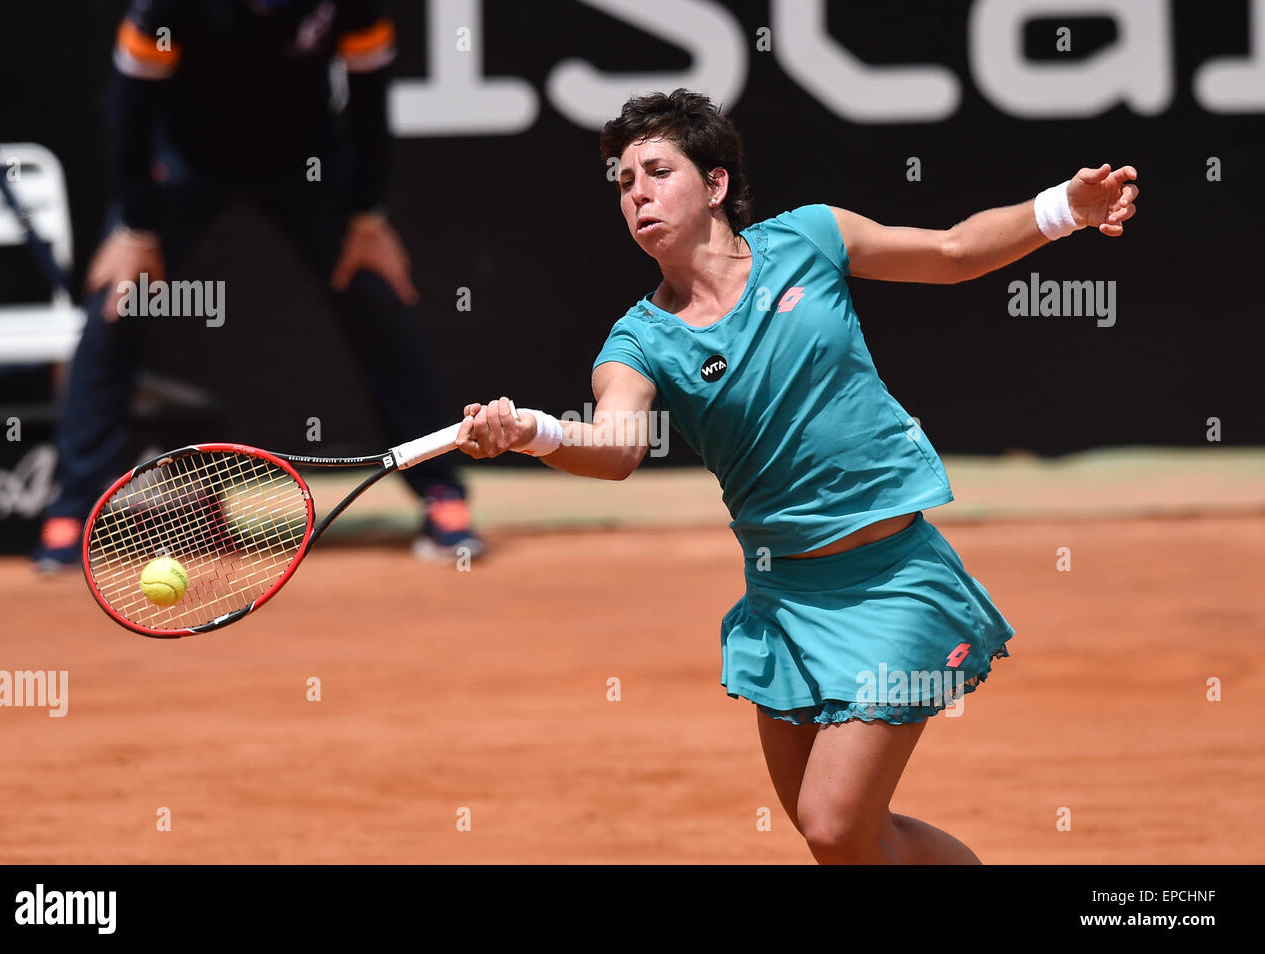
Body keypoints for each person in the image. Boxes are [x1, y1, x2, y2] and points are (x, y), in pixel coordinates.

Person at [454, 89, 1139, 864]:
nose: (636, 193)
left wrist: (1065, 208)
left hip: (895, 581)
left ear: (714, 184)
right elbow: (615, 447)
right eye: (622, 182)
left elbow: (952, 253)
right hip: (785, 604)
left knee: (833, 822)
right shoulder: (638, 339)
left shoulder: (811, 238)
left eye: (655, 171)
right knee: (853, 845)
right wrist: (530, 433)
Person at [33, 0, 481, 570]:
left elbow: (370, 94)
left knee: (377, 294)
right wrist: (133, 225)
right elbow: (130, 104)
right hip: (183, 160)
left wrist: (368, 216)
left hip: (306, 161)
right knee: (117, 305)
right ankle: (74, 510)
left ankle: (441, 493)